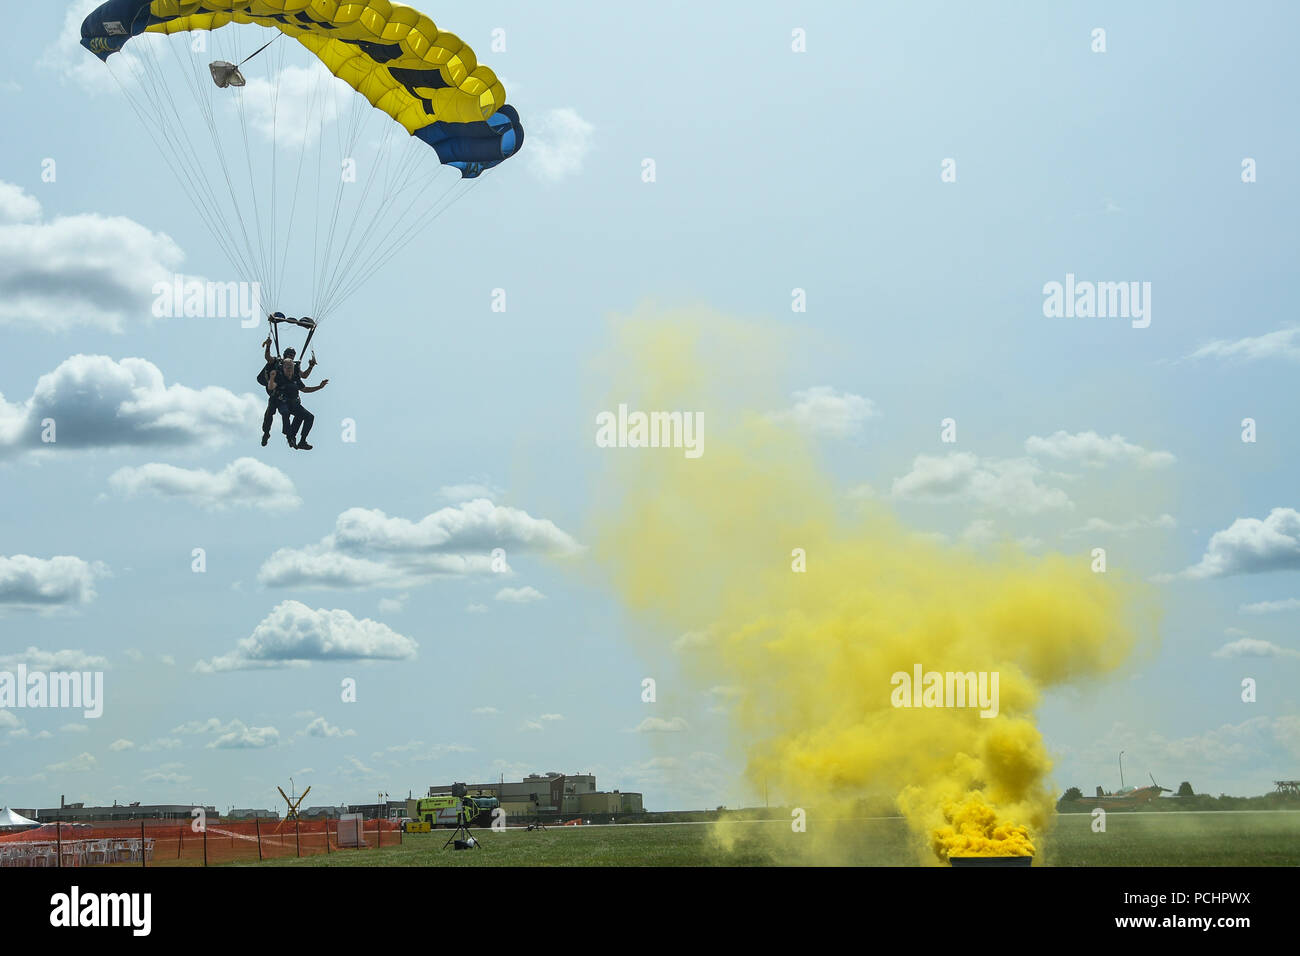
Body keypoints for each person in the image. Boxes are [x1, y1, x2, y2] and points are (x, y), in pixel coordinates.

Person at [259, 338, 317, 446]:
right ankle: (266, 433)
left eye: (292, 355)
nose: (291, 356)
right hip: (275, 395)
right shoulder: (277, 362)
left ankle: (291, 437)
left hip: (287, 398)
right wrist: (268, 346)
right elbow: (268, 357)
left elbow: (304, 375)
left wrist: (311, 366)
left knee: (289, 414)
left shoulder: (293, 366)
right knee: (269, 414)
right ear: (285, 354)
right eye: (289, 354)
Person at [268, 359, 328, 451]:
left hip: (294, 404)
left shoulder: (295, 378)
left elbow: (305, 389)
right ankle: (289, 437)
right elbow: (271, 387)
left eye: (291, 367)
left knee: (309, 417)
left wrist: (319, 387)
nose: (289, 370)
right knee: (285, 413)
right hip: (283, 403)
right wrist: (272, 378)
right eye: (287, 367)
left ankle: (302, 441)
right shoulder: (279, 377)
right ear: (283, 368)